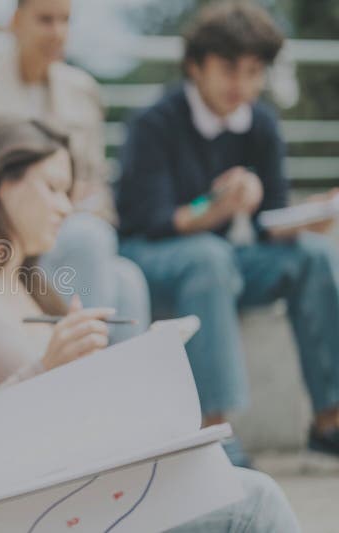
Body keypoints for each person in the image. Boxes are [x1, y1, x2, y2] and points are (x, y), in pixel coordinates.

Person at [0, 115, 301, 532]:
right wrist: (43, 369)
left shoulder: (35, 289)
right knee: (255, 501)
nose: (65, 207)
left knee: (242, 489)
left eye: (68, 193)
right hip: (29, 509)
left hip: (80, 490)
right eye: (52, 188)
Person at [115, 0, 339, 467]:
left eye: (255, 71)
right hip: (150, 255)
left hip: (222, 258)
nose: (243, 84)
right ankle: (213, 433)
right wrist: (216, 206)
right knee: (208, 256)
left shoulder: (261, 124)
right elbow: (151, 219)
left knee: (313, 255)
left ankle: (329, 421)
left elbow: (268, 222)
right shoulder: (155, 122)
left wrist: (305, 218)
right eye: (230, 69)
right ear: (196, 66)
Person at [0, 0, 150, 342]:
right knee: (89, 238)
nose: (57, 33)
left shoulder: (83, 91)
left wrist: (81, 197)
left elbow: (97, 182)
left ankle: (117, 389)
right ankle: (82, 367)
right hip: (4, 236)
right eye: (45, 20)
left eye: (65, 21)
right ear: (16, 21)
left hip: (66, 226)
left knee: (128, 278)